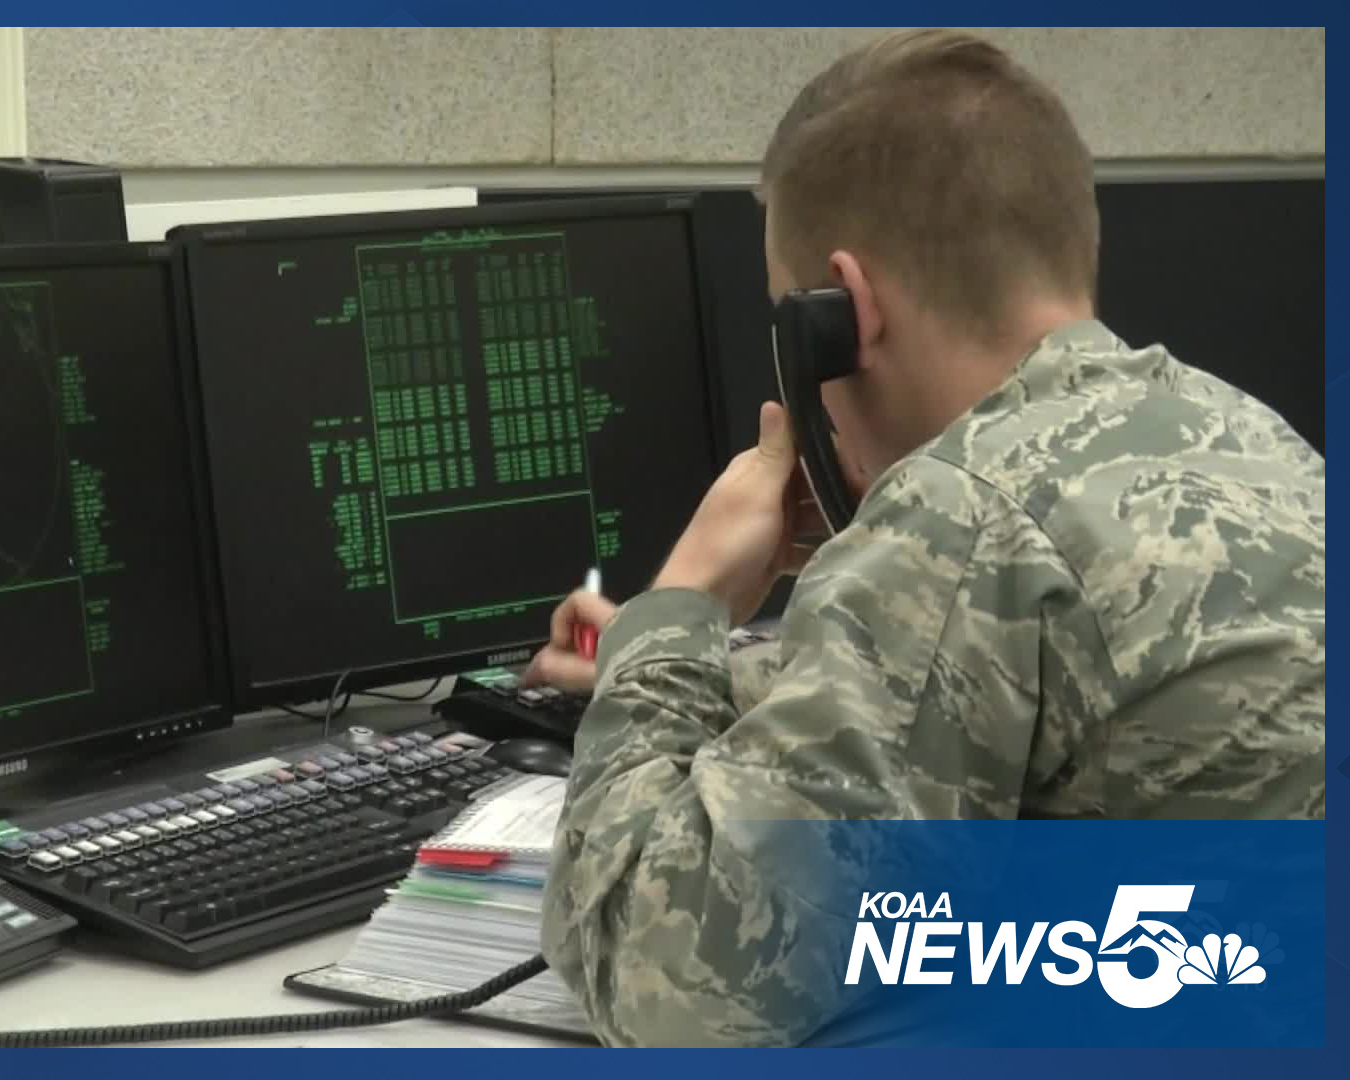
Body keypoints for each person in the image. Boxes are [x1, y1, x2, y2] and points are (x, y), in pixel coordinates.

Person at [525, 28, 1327, 1048]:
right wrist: (671, 667)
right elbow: (1001, 712)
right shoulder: (1259, 445)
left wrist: (681, 599)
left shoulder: (963, 508)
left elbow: (668, 982)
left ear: (843, 313)